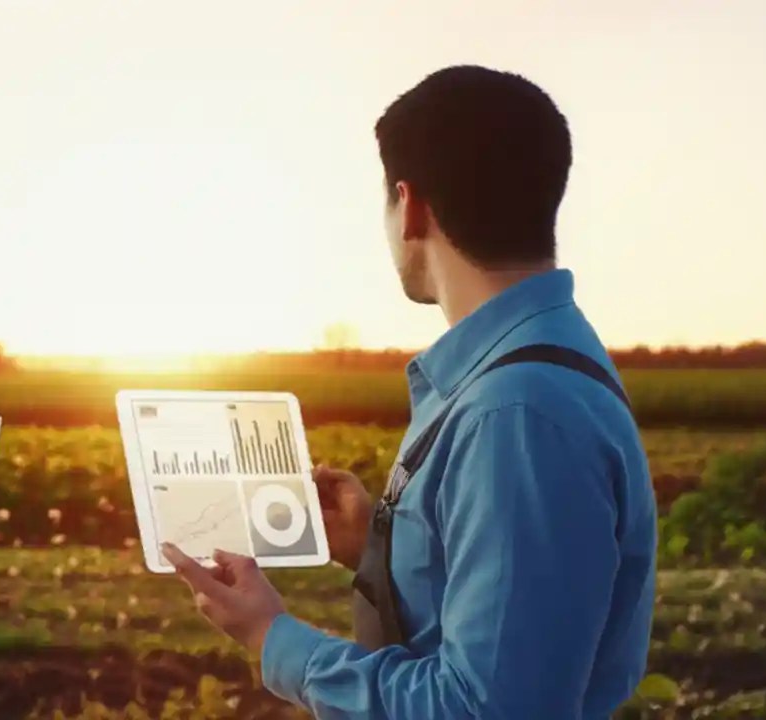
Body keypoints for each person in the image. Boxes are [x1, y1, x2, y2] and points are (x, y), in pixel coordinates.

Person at [161, 64, 657, 719]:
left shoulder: (515, 414)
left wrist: (272, 637)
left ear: (411, 205)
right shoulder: (531, 370)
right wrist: (380, 547)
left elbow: (485, 710)